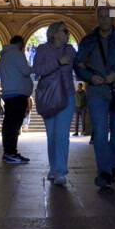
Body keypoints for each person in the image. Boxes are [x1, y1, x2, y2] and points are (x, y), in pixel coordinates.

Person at [74, 7, 115, 190]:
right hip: (96, 91)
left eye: (107, 16)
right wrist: (89, 77)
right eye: (101, 16)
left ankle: (111, 166)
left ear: (112, 18)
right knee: (100, 132)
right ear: (97, 18)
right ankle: (104, 171)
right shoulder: (88, 41)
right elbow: (78, 65)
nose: (104, 19)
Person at [33, 22, 76, 186]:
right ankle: (54, 168)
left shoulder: (70, 50)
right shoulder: (42, 49)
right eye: (64, 30)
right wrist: (58, 62)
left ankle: (61, 171)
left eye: (68, 30)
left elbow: (78, 67)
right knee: (51, 136)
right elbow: (37, 70)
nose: (68, 33)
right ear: (54, 33)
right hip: (49, 97)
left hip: (67, 96)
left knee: (61, 135)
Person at [0, 35, 32, 164]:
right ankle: (10, 153)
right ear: (20, 44)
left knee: (9, 124)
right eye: (23, 45)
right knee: (14, 125)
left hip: (9, 94)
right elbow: (26, 71)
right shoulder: (16, 54)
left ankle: (9, 152)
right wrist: (32, 67)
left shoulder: (4, 56)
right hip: (18, 94)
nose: (23, 48)